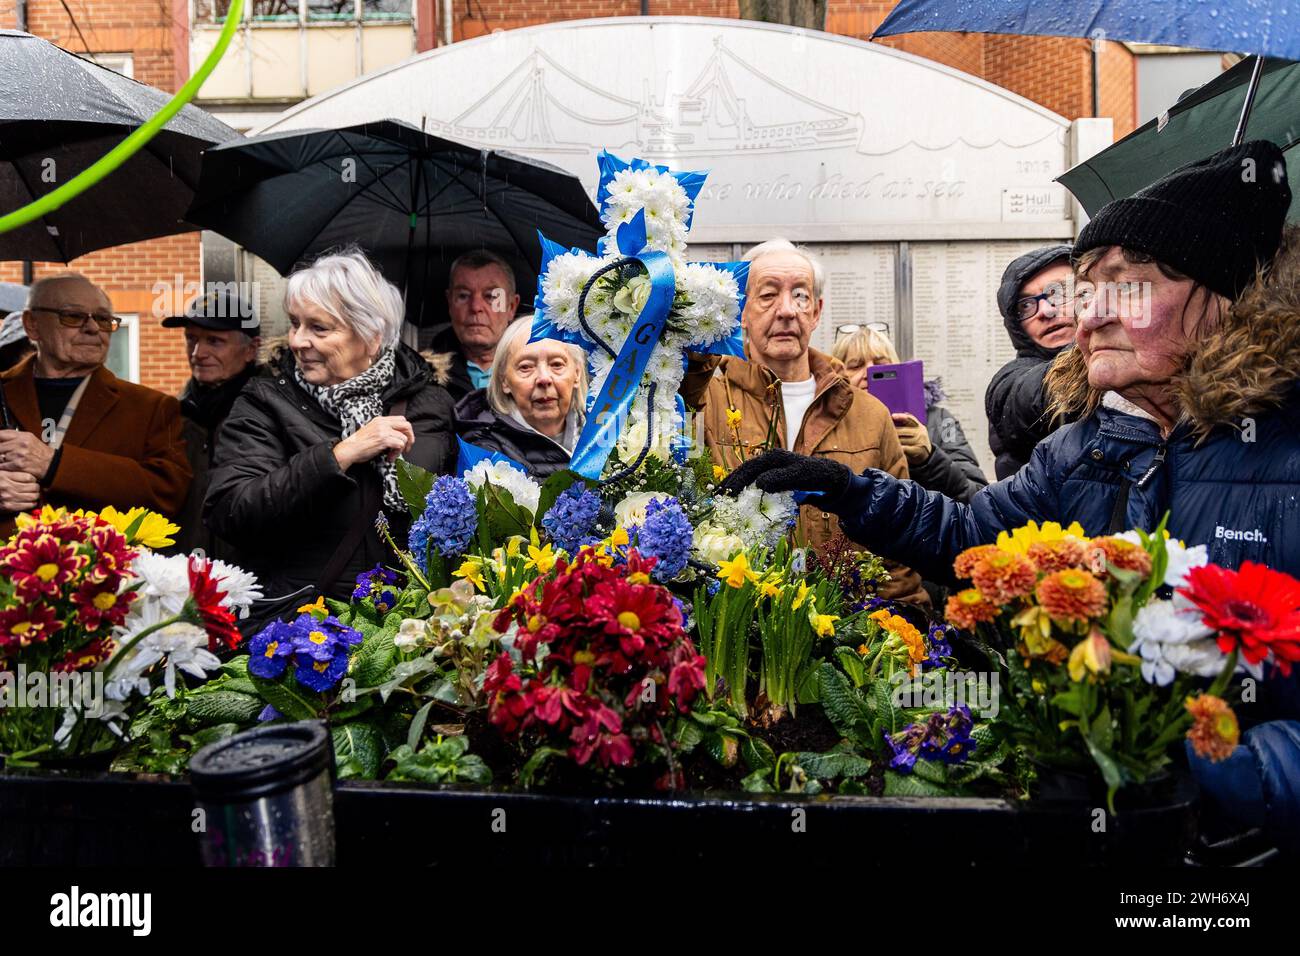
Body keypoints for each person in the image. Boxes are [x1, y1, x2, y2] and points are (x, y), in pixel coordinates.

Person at [722, 142, 1300, 849]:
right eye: (1087, 292)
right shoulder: (1083, 447)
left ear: (1223, 295)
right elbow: (973, 535)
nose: (1089, 320)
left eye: (1128, 287)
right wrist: (852, 492)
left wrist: (1218, 771)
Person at [204, 249, 455, 627]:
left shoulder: (428, 403)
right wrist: (338, 456)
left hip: (404, 630)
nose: (298, 341)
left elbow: (445, 517)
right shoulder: (266, 402)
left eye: (319, 328)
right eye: (294, 324)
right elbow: (231, 511)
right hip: (298, 629)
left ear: (371, 337)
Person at [682, 238, 928, 606]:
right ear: (742, 313)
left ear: (816, 311)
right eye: (767, 295)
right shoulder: (707, 401)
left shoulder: (868, 414)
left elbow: (898, 537)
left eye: (800, 295)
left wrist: (903, 623)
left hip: (848, 633)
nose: (786, 310)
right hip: (736, 632)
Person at [0, 274, 190, 532]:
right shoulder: (3, 391)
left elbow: (169, 494)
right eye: (73, 316)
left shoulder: (151, 407)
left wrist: (55, 465)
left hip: (106, 568)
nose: (92, 328)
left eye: (102, 319)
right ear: (32, 324)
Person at [163, 287, 263, 562]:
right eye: (191, 339)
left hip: (253, 583)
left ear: (250, 350)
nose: (198, 353)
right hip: (181, 577)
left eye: (214, 341)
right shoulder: (171, 417)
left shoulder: (272, 417)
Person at [832, 327, 987, 503]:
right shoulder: (827, 426)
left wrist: (928, 459)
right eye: (856, 365)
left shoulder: (939, 420)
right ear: (839, 375)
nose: (869, 372)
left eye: (881, 364)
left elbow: (976, 496)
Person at [454, 317, 588, 479]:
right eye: (526, 367)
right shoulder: (485, 454)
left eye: (556, 364)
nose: (544, 379)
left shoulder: (608, 432)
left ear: (577, 373)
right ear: (504, 380)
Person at [985, 244, 1076, 479]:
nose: (1045, 310)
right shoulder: (1010, 382)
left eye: (1058, 292)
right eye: (1026, 305)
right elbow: (1034, 395)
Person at [429, 250, 522, 400]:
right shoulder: (425, 375)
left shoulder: (538, 373)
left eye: (491, 296)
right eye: (463, 296)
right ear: (450, 303)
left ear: (511, 306)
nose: (475, 307)